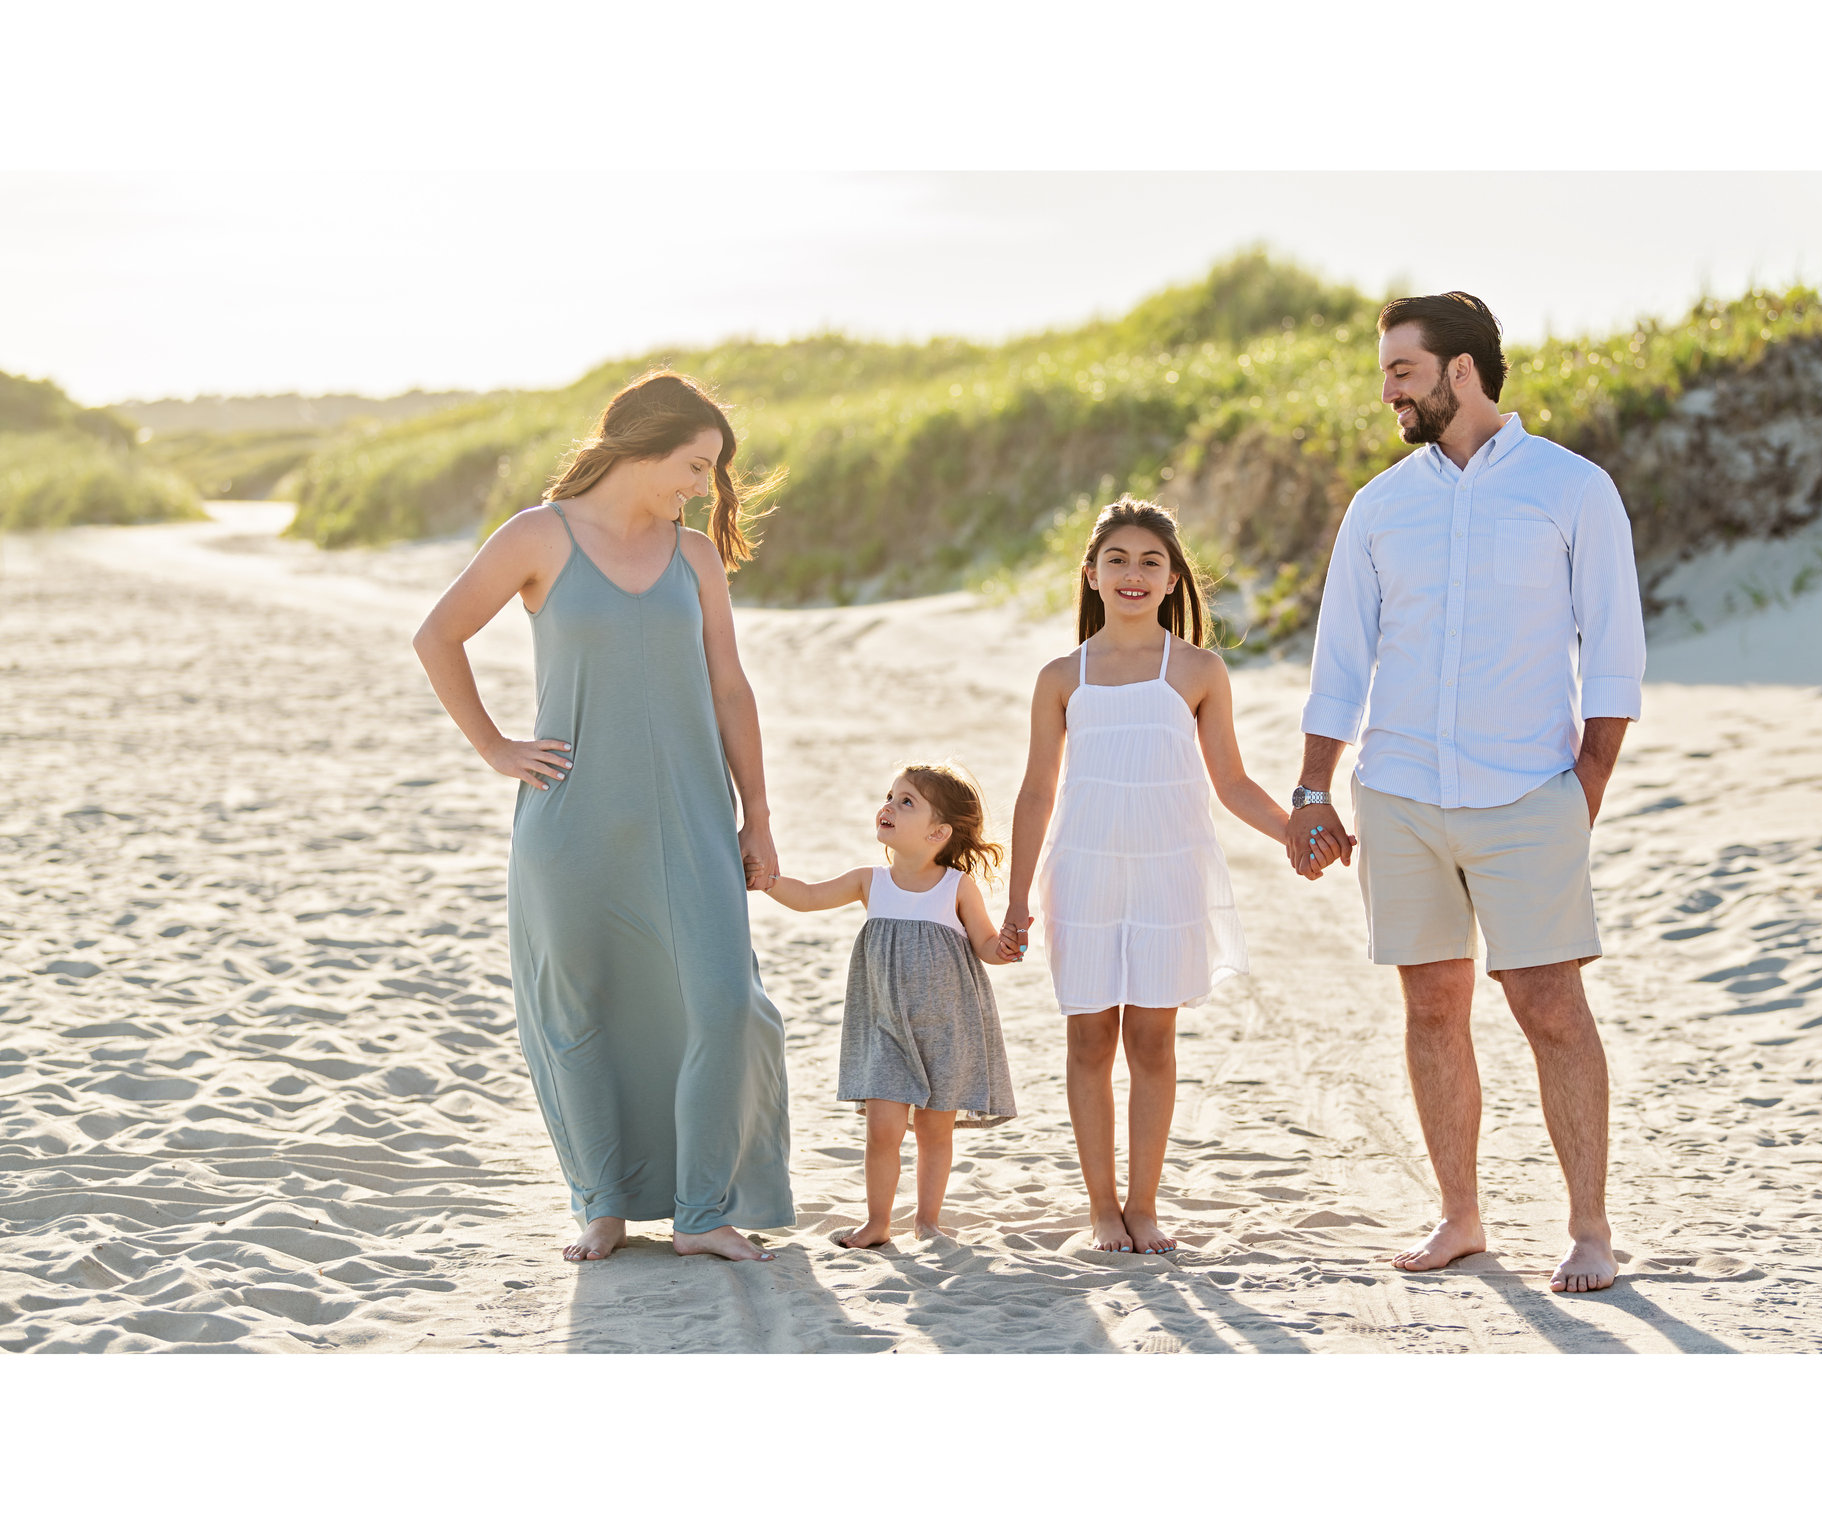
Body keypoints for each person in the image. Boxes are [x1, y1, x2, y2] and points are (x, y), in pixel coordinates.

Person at [1287, 291, 1644, 1293]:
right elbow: (1340, 661)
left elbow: (1613, 652)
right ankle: (1460, 1215)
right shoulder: (1380, 505)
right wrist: (1313, 788)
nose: (1389, 390)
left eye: (1402, 370)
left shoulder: (1570, 489)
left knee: (1551, 1007)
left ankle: (1588, 1229)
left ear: (1461, 370)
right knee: (1431, 1006)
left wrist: (1586, 785)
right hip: (1397, 791)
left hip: (1530, 792)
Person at [411, 370, 792, 1264]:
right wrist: (496, 747)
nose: (700, 488)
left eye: (708, 474)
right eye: (693, 466)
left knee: (723, 1003)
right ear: (645, 443)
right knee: (577, 1008)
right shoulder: (539, 536)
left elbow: (730, 688)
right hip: (572, 818)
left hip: (695, 815)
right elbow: (438, 635)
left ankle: (703, 1212)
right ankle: (603, 1201)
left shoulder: (693, 556)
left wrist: (760, 817)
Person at [1001, 500, 1289, 1255]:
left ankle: (1145, 1204)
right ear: (1091, 575)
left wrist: (1297, 834)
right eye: (1119, 560)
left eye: (1151, 562)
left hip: (1168, 874)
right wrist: (1016, 899)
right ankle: (1103, 1208)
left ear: (1172, 581)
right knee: (1090, 1040)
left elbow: (1231, 781)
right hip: (1085, 873)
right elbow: (1036, 792)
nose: (1134, 573)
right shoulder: (1062, 676)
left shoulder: (1198, 669)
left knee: (1154, 1041)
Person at [759, 765, 1020, 1250]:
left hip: (946, 1028)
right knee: (883, 1129)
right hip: (884, 1027)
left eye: (907, 803)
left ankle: (927, 1221)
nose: (889, 807)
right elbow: (811, 897)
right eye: (890, 796)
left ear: (938, 832)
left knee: (934, 1131)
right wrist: (769, 881)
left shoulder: (956, 887)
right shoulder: (869, 881)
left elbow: (983, 941)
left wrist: (1001, 948)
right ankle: (877, 1223)